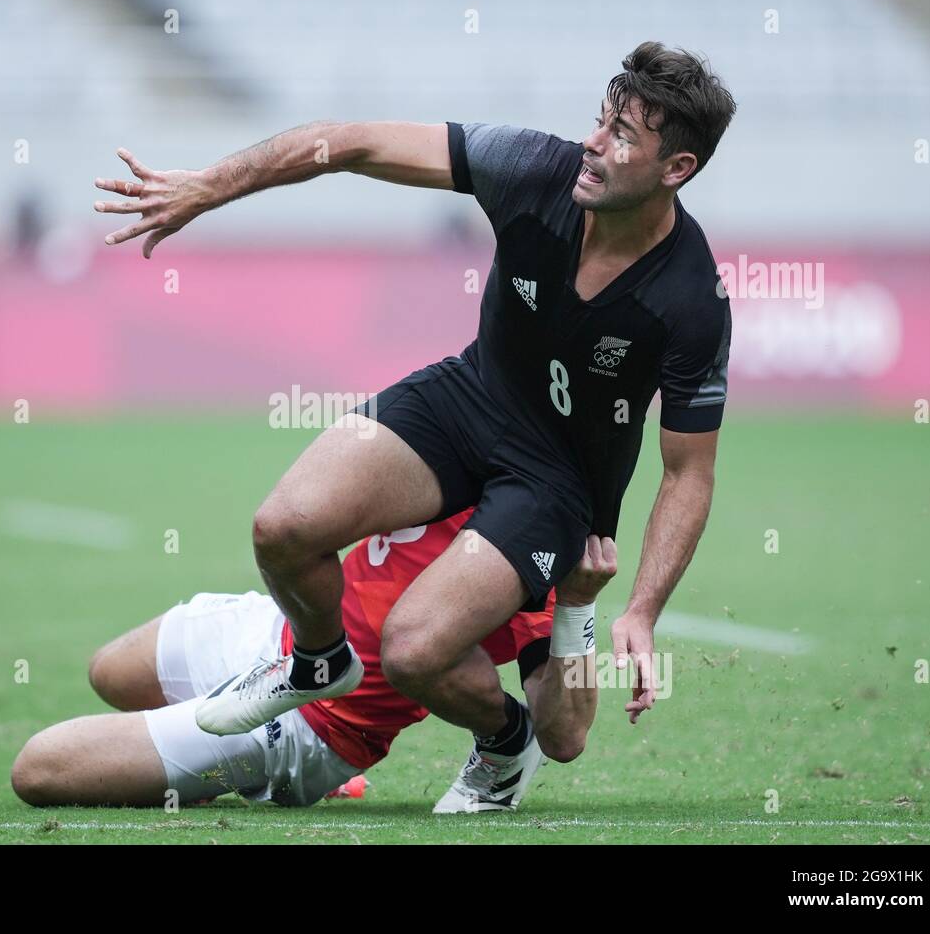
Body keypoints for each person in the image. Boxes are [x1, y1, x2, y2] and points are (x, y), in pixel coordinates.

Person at [95, 42, 734, 794]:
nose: (594, 145)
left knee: (412, 649)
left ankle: (505, 745)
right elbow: (354, 143)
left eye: (623, 135)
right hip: (468, 398)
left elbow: (689, 472)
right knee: (285, 527)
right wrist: (210, 186)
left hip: (556, 484)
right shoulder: (532, 167)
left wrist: (644, 610)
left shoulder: (691, 298)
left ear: (676, 169)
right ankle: (317, 660)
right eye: (600, 121)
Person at [11, 512, 617, 812]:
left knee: (40, 769)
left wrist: (579, 606)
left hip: (316, 726)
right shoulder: (458, 431)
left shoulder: (535, 546)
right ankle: (196, 750)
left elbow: (565, 733)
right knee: (109, 671)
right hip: (289, 633)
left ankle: (232, 763)